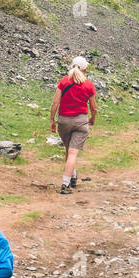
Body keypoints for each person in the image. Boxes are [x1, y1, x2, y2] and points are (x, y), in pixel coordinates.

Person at [50, 55, 97, 194]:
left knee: (69, 151)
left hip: (64, 120)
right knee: (73, 153)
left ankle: (73, 176)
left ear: (71, 66)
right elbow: (94, 107)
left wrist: (52, 120)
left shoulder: (64, 81)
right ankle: (66, 184)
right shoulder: (88, 85)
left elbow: (55, 103)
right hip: (80, 122)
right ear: (85, 69)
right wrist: (92, 119)